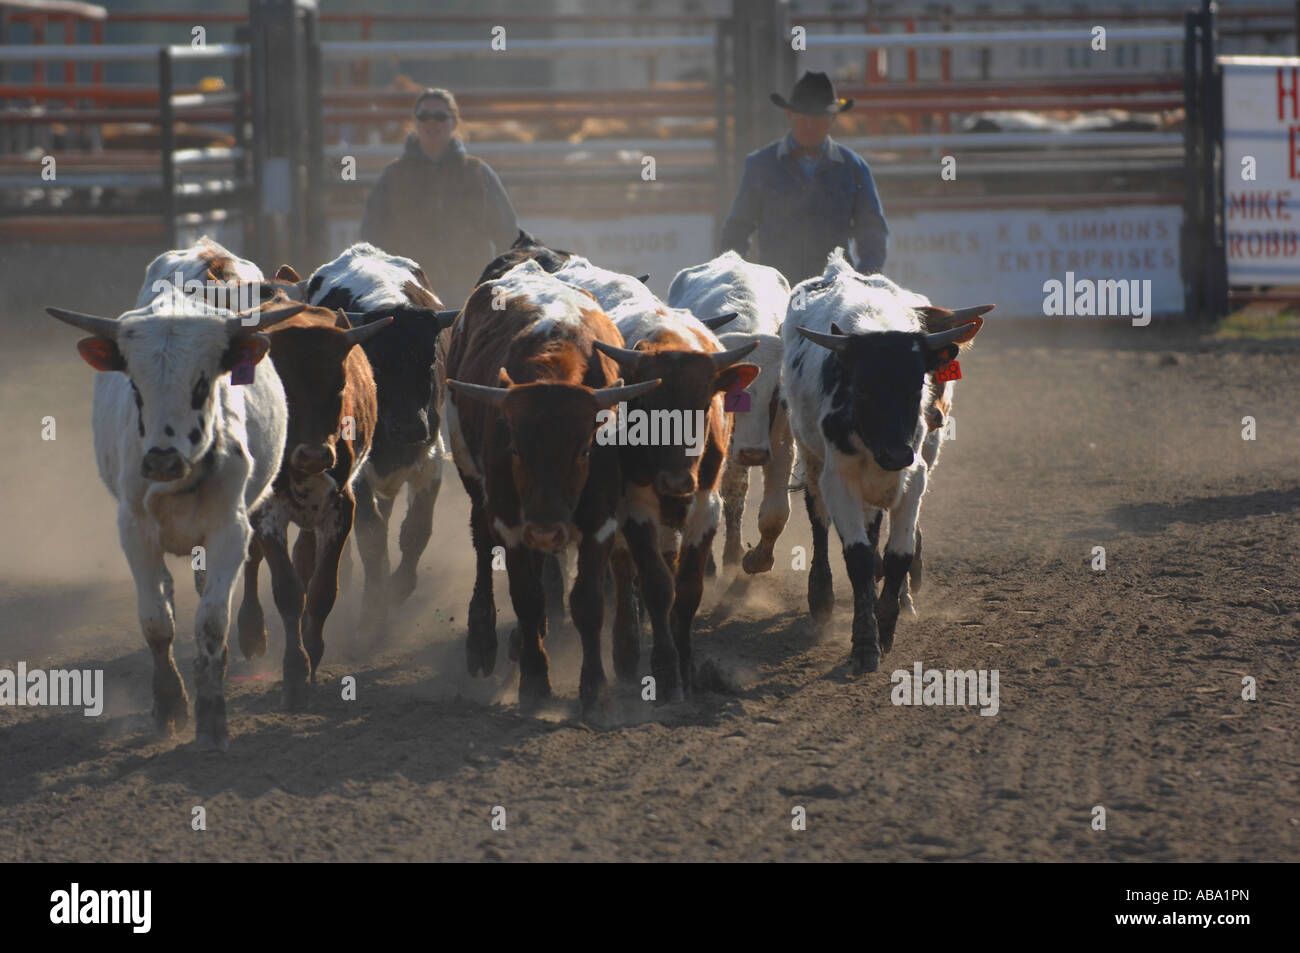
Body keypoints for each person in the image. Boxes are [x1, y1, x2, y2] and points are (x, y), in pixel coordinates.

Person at [719, 71, 889, 285]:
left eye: (817, 120)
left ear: (832, 119)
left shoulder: (854, 168)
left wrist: (861, 283)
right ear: (790, 115)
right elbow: (737, 229)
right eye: (804, 119)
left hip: (834, 290)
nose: (810, 127)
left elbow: (872, 234)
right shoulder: (760, 166)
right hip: (776, 289)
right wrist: (739, 279)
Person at [360, 88, 519, 306]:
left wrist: (498, 285)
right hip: (409, 293)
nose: (431, 123)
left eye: (440, 117)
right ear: (415, 123)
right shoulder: (394, 175)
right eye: (424, 116)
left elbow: (507, 233)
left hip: (468, 292)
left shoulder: (477, 172)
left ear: (454, 123)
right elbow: (371, 235)